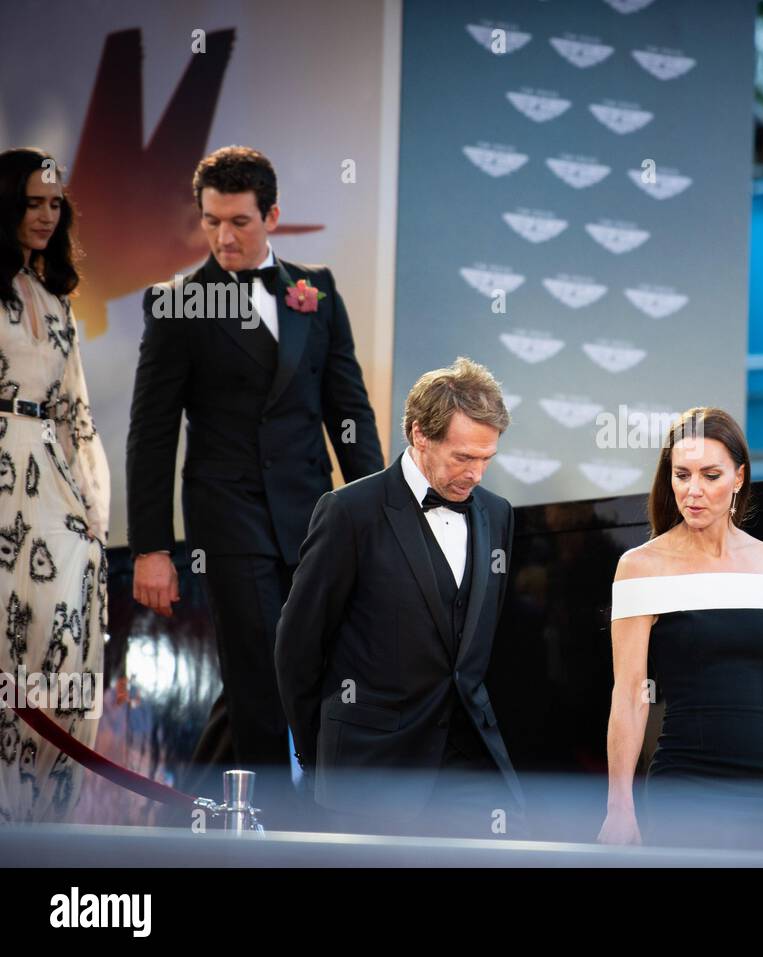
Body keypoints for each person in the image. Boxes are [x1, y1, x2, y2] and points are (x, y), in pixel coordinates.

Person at [126, 146, 382, 815]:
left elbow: (347, 411)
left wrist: (387, 513)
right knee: (266, 673)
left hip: (310, 515)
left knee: (278, 672)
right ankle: (279, 830)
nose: (223, 236)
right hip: (227, 520)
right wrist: (152, 546)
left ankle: (192, 818)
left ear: (272, 215)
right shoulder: (178, 304)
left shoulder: (315, 291)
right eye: (211, 221)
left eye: (239, 221)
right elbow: (151, 431)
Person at [275, 358, 525, 837]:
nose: (476, 473)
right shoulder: (350, 512)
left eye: (486, 458)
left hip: (470, 770)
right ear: (419, 435)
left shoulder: (498, 514)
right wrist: (322, 754)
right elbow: (297, 645)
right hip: (370, 772)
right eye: (462, 457)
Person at [598, 407, 763, 850]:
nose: (694, 491)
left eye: (710, 475)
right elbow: (630, 696)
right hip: (683, 787)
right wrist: (619, 804)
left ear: (739, 477)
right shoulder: (639, 567)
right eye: (682, 475)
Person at [0, 147, 110, 823]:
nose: (45, 216)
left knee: (61, 646)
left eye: (54, 204)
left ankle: (44, 823)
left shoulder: (57, 298)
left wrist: (96, 510)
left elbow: (78, 413)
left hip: (58, 494)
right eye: (31, 202)